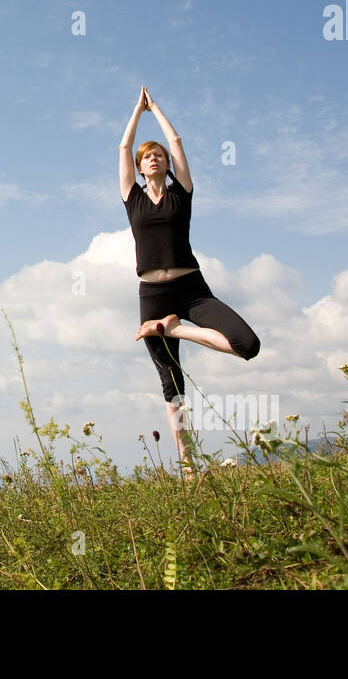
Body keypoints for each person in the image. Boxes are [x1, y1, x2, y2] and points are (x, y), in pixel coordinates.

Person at [118, 85, 261, 472]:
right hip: (153, 296)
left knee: (247, 344)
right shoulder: (132, 196)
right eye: (147, 157)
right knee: (172, 385)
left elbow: (177, 141)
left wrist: (157, 108)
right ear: (139, 165)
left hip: (192, 290)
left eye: (159, 156)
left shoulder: (183, 193)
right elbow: (121, 149)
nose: (154, 159)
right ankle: (187, 466)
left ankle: (176, 330)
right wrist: (137, 111)